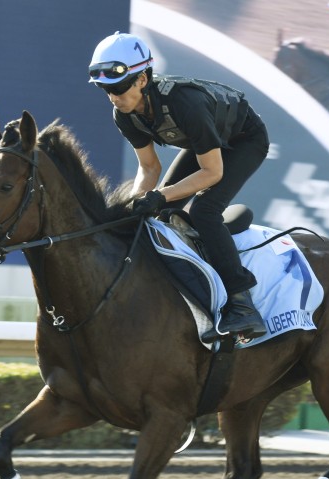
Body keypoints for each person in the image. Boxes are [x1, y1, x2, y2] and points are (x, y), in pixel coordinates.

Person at [88, 31, 268, 342]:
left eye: (118, 87)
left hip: (244, 141)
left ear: (143, 79)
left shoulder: (185, 104)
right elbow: (149, 168)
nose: (114, 96)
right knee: (155, 214)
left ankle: (242, 304)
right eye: (105, 90)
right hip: (208, 140)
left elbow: (212, 173)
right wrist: (134, 205)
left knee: (204, 211)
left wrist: (158, 195)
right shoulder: (124, 114)